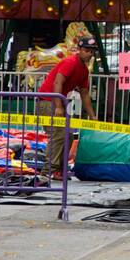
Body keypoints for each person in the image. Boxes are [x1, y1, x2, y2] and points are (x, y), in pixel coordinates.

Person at [38, 35, 96, 176]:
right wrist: (58, 105)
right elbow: (58, 82)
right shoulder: (70, 62)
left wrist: (92, 115)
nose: (89, 54)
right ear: (79, 50)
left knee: (69, 135)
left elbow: (84, 93)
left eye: (92, 51)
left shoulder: (84, 70)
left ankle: (59, 170)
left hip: (60, 101)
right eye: (86, 50)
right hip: (48, 100)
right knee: (58, 134)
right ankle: (49, 170)